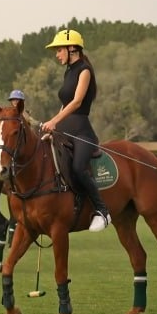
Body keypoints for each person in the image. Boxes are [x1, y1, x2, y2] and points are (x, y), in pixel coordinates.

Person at [40, 29, 111, 232]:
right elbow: (65, 104)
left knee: (79, 168)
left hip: (81, 131)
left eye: (59, 50)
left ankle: (103, 211)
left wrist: (54, 121)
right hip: (65, 129)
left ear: (72, 49)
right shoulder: (69, 71)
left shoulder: (84, 70)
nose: (57, 54)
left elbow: (77, 101)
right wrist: (53, 127)